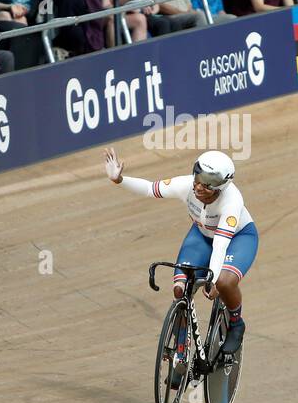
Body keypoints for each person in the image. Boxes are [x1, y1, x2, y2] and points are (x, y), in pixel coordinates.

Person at [104, 147, 256, 372]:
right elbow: (149, 188)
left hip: (238, 239)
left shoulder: (232, 201)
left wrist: (213, 281)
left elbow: (221, 245)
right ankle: (181, 351)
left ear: (222, 185)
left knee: (224, 282)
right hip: (202, 235)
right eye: (198, 177)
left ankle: (236, 323)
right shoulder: (186, 184)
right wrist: (119, 180)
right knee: (179, 288)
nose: (198, 186)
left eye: (207, 183)